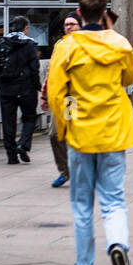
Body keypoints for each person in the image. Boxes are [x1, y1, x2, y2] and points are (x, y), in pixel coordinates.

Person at [48, 0, 133, 265]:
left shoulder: (67, 46)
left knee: (82, 203)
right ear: (104, 12)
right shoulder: (119, 43)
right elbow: (130, 78)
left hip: (81, 132)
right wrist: (111, 33)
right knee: (114, 200)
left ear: (78, 12)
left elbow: (56, 94)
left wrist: (65, 126)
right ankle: (118, 246)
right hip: (114, 129)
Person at [0, 16, 42, 165]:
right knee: (29, 117)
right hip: (26, 87)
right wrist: (38, 86)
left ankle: (11, 155)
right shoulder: (29, 45)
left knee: (8, 122)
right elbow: (35, 68)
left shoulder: (1, 43)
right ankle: (23, 144)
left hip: (6, 88)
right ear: (25, 29)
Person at [40, 13, 81, 187]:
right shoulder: (60, 45)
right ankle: (66, 171)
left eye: (72, 24)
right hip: (59, 96)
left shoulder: (85, 45)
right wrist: (44, 95)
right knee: (54, 135)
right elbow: (51, 71)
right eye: (66, 25)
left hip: (75, 98)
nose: (69, 27)